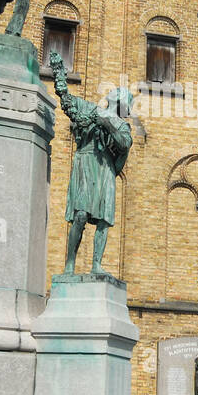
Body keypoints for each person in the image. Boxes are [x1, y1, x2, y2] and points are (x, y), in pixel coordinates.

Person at [48, 49, 134, 276]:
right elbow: (67, 102)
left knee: (104, 220)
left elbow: (124, 144)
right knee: (81, 214)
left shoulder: (124, 126)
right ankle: (70, 263)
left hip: (105, 169)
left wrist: (106, 124)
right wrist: (59, 74)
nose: (123, 104)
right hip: (86, 163)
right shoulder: (90, 109)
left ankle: (96, 264)